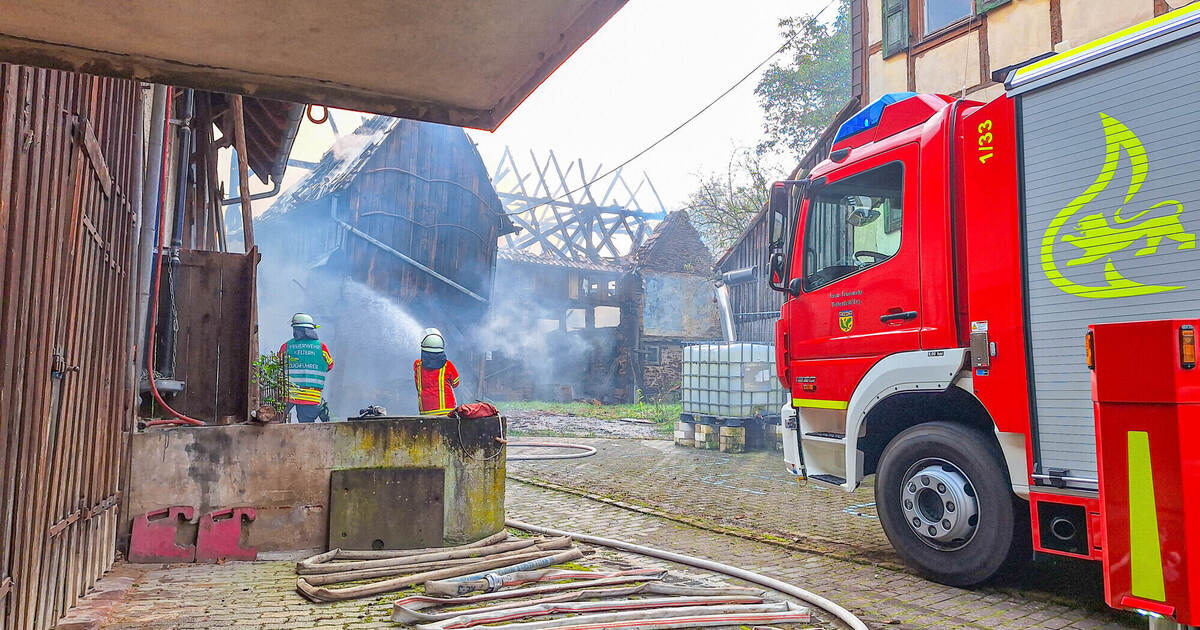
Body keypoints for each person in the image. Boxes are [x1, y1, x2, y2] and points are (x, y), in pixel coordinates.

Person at [278, 313, 334, 423]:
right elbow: (329, 365)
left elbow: (278, 366)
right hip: (311, 396)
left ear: (295, 329)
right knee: (306, 427)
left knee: (277, 422)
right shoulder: (321, 347)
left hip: (289, 395)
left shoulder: (286, 346)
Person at [414, 328, 459, 416]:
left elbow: (418, 386)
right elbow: (456, 384)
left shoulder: (417, 365)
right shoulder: (448, 365)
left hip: (425, 411)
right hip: (447, 411)